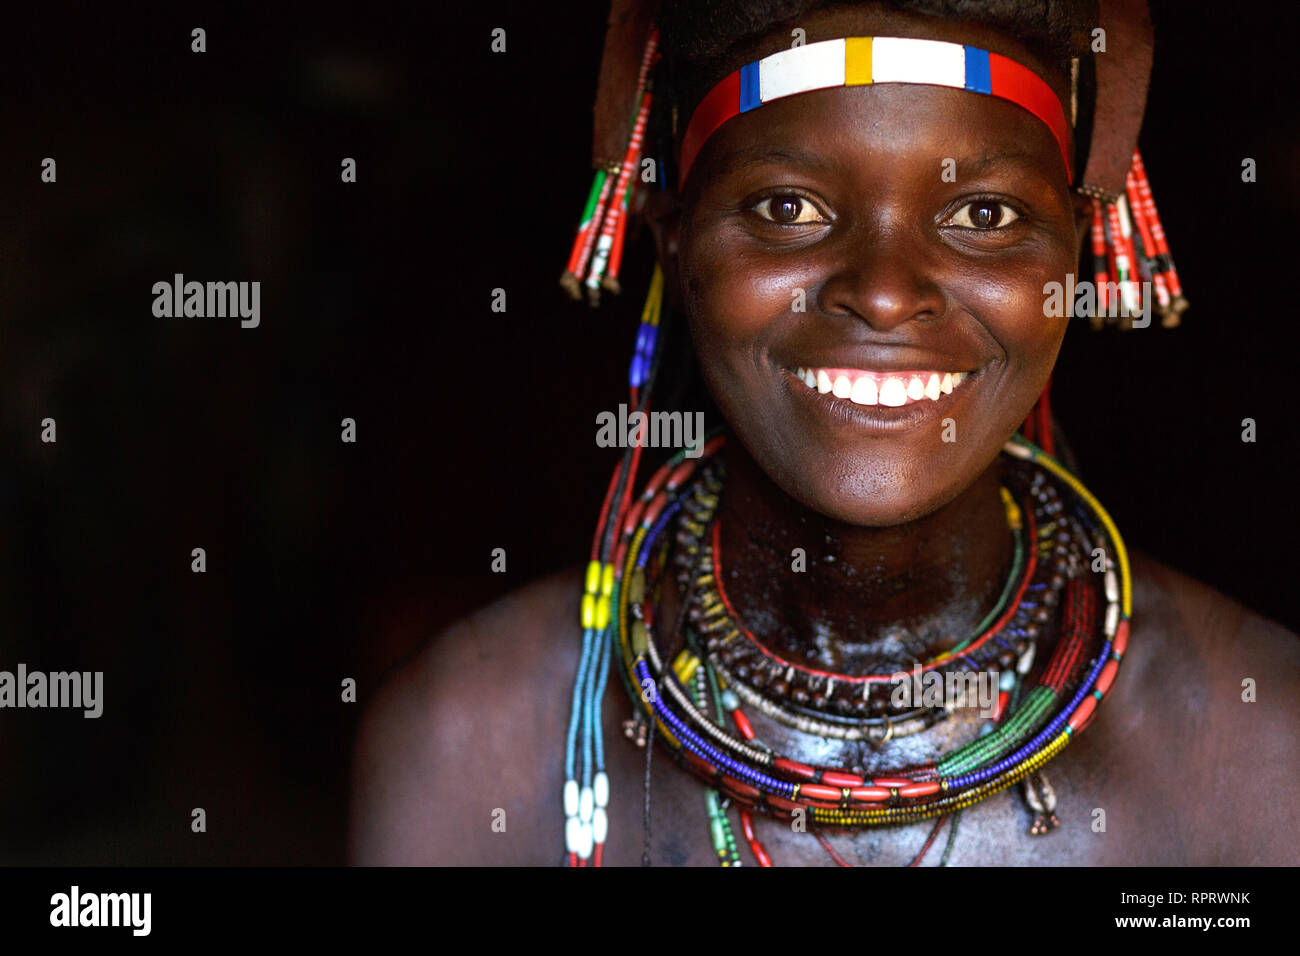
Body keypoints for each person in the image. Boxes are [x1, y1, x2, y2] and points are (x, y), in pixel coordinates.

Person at [348, 0, 1300, 866]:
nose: (883, 292)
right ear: (674, 238)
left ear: (1074, 256)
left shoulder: (1261, 751)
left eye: (983, 213)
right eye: (788, 209)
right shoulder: (467, 746)